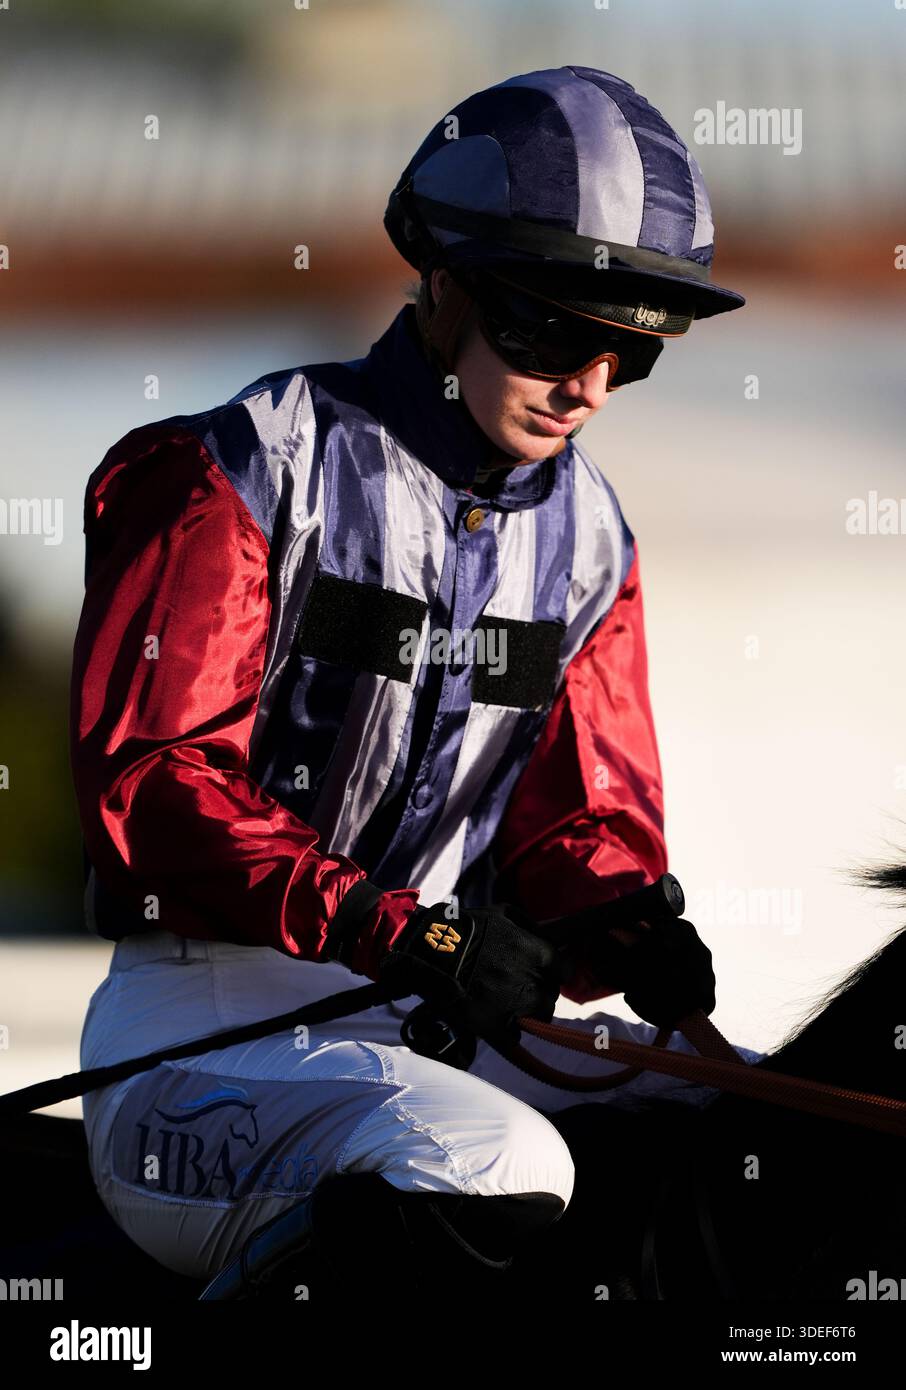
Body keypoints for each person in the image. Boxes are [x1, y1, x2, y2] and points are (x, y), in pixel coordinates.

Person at [70, 65, 760, 1294]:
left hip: (431, 1025)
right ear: (442, 284)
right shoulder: (229, 472)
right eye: (554, 329)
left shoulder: (593, 543)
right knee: (490, 1160)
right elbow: (158, 785)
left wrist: (626, 919)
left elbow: (576, 823)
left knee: (768, 1116)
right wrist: (397, 926)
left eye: (631, 352)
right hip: (196, 1041)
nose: (590, 385)